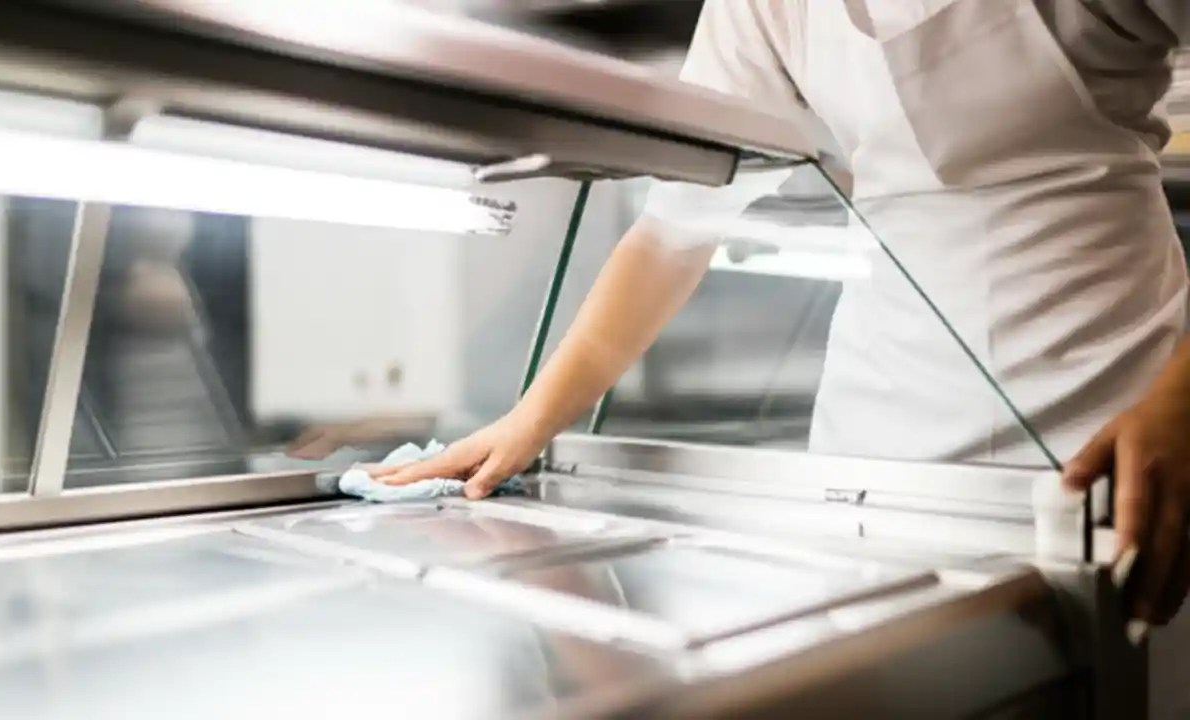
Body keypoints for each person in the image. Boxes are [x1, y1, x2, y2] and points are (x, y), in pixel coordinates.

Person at [374, 0, 1190, 630]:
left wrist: (1181, 404)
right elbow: (676, 227)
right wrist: (531, 418)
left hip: (1115, 399)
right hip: (876, 443)